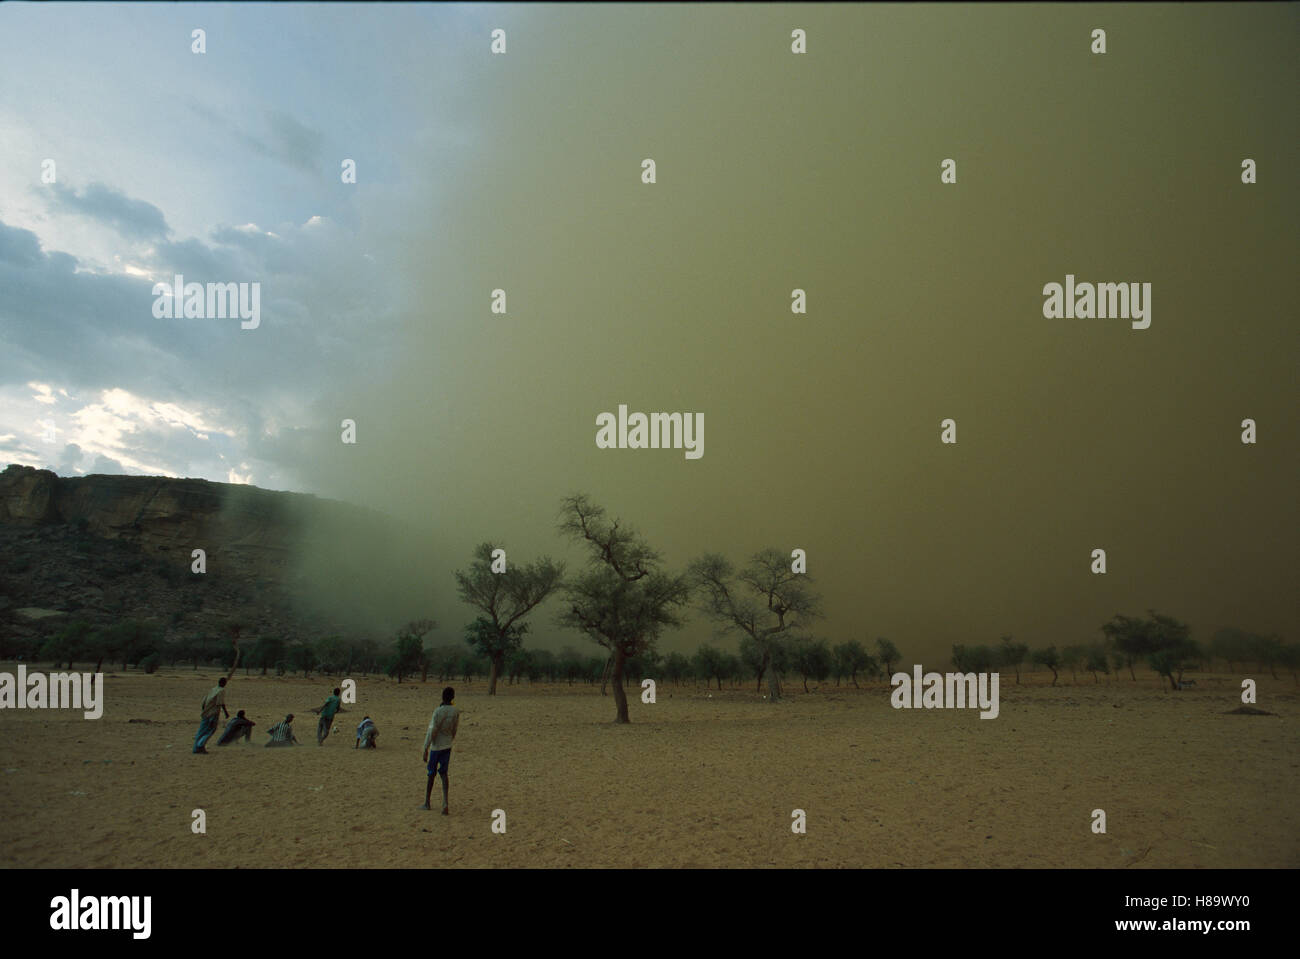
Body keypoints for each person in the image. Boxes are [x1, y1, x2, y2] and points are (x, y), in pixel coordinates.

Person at [422, 687, 460, 814]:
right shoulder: (455, 711)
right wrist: (450, 739)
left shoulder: (438, 711)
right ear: (452, 697)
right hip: (447, 746)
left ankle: (427, 802)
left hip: (436, 747)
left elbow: (432, 730)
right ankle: (445, 803)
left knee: (431, 773)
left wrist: (425, 747)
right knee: (444, 774)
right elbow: (455, 729)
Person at [193, 677, 230, 754]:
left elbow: (204, 701)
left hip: (205, 712)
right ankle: (200, 746)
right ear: (224, 683)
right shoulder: (221, 690)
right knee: (210, 730)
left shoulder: (213, 689)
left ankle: (195, 748)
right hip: (213, 713)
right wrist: (226, 713)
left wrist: (204, 710)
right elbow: (220, 703)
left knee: (201, 731)